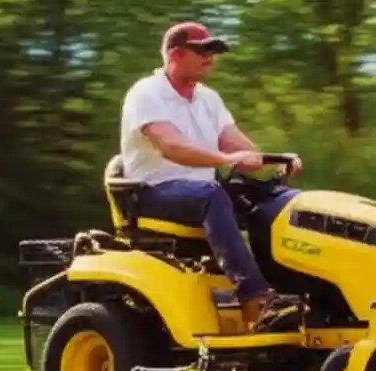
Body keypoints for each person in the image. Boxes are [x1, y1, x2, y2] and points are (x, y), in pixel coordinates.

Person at [120, 21, 304, 332]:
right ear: (176, 54)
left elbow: (236, 145)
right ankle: (256, 300)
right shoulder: (146, 93)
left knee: (281, 201)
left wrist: (274, 160)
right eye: (203, 51)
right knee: (211, 194)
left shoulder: (209, 98)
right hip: (152, 193)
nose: (211, 58)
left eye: (214, 51)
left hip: (201, 192)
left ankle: (297, 290)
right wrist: (225, 160)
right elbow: (171, 146)